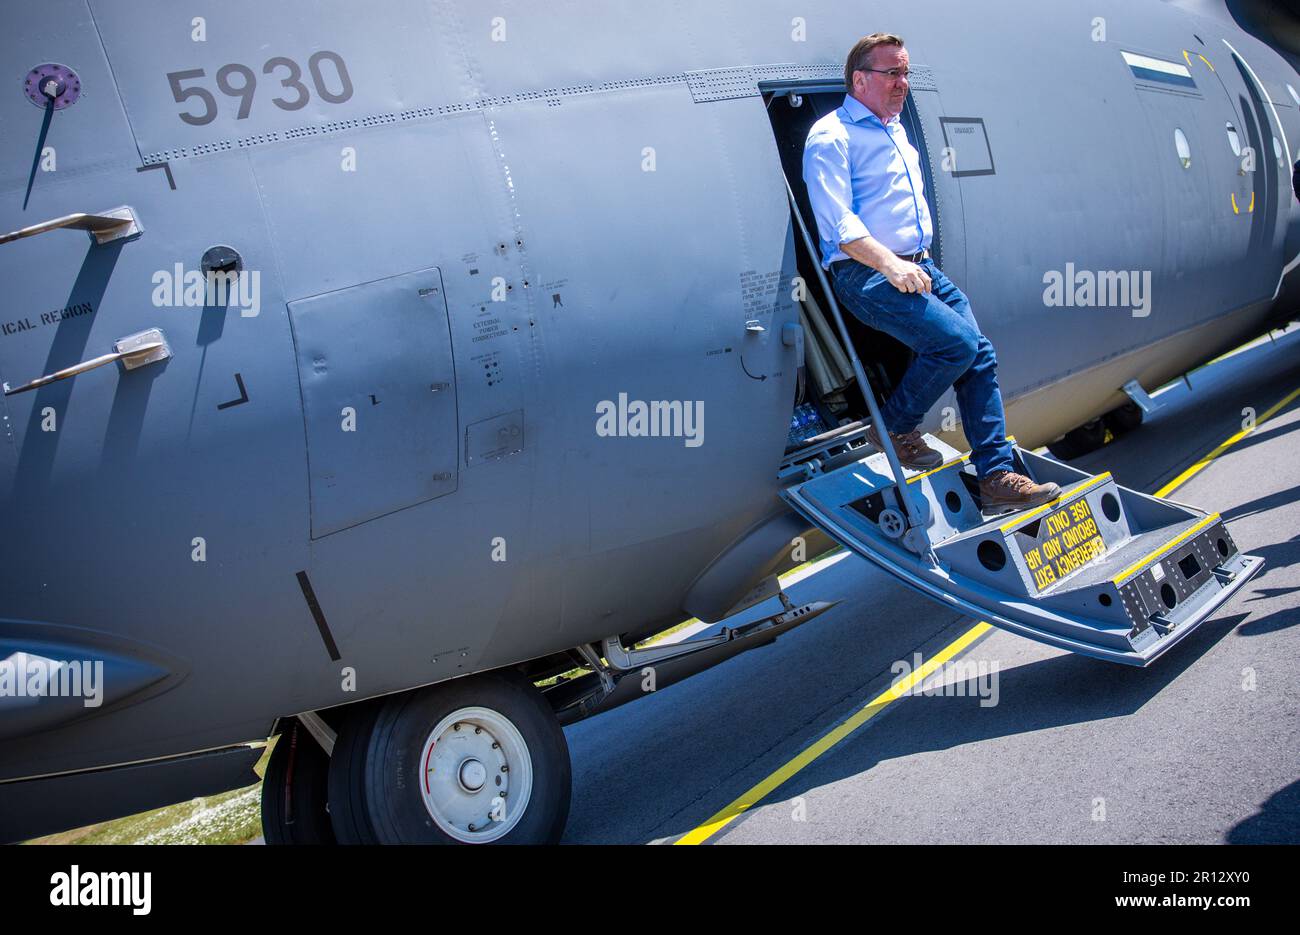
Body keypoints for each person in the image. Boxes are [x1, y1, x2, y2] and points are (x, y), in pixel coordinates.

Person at [802, 33, 1060, 511]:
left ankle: (996, 476)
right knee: (957, 345)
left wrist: (911, 263)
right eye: (891, 73)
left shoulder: (893, 127)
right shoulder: (831, 136)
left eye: (906, 73)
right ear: (860, 79)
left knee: (979, 355)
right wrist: (892, 264)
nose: (902, 83)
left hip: (920, 268)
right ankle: (895, 426)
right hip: (868, 274)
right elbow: (839, 226)